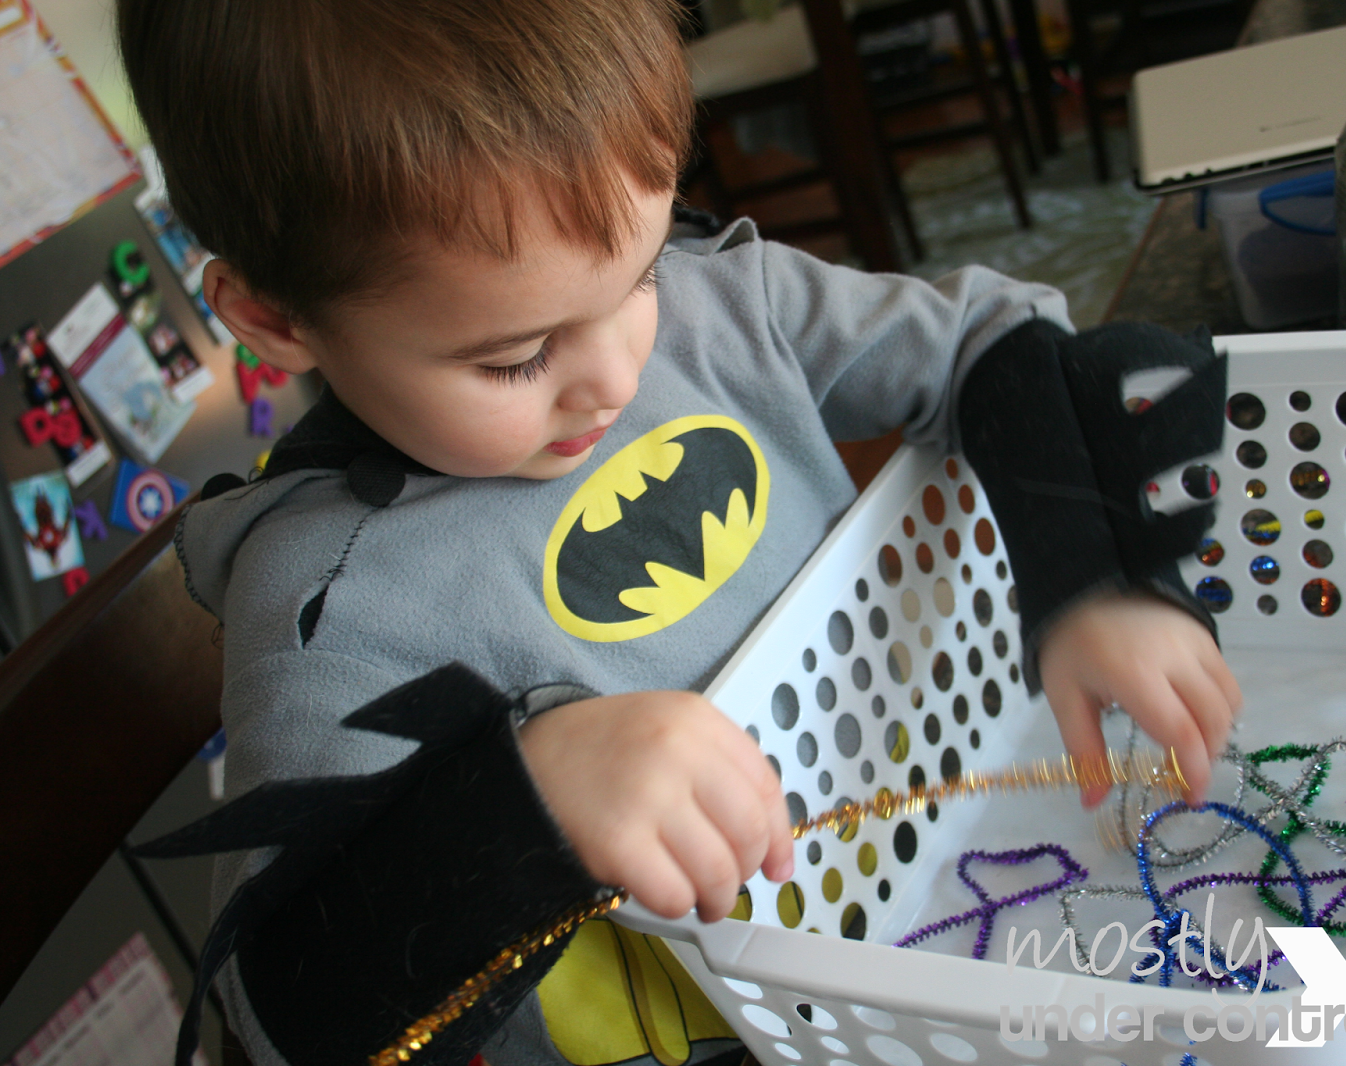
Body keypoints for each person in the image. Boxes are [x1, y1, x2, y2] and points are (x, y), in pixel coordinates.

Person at [118, 1, 1241, 1063]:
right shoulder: (330, 603)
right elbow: (279, 1015)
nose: (615, 375)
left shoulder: (714, 307)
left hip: (928, 882)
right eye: (515, 357)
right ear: (275, 318)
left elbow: (994, 339)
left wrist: (1088, 578)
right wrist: (527, 802)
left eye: (640, 270)